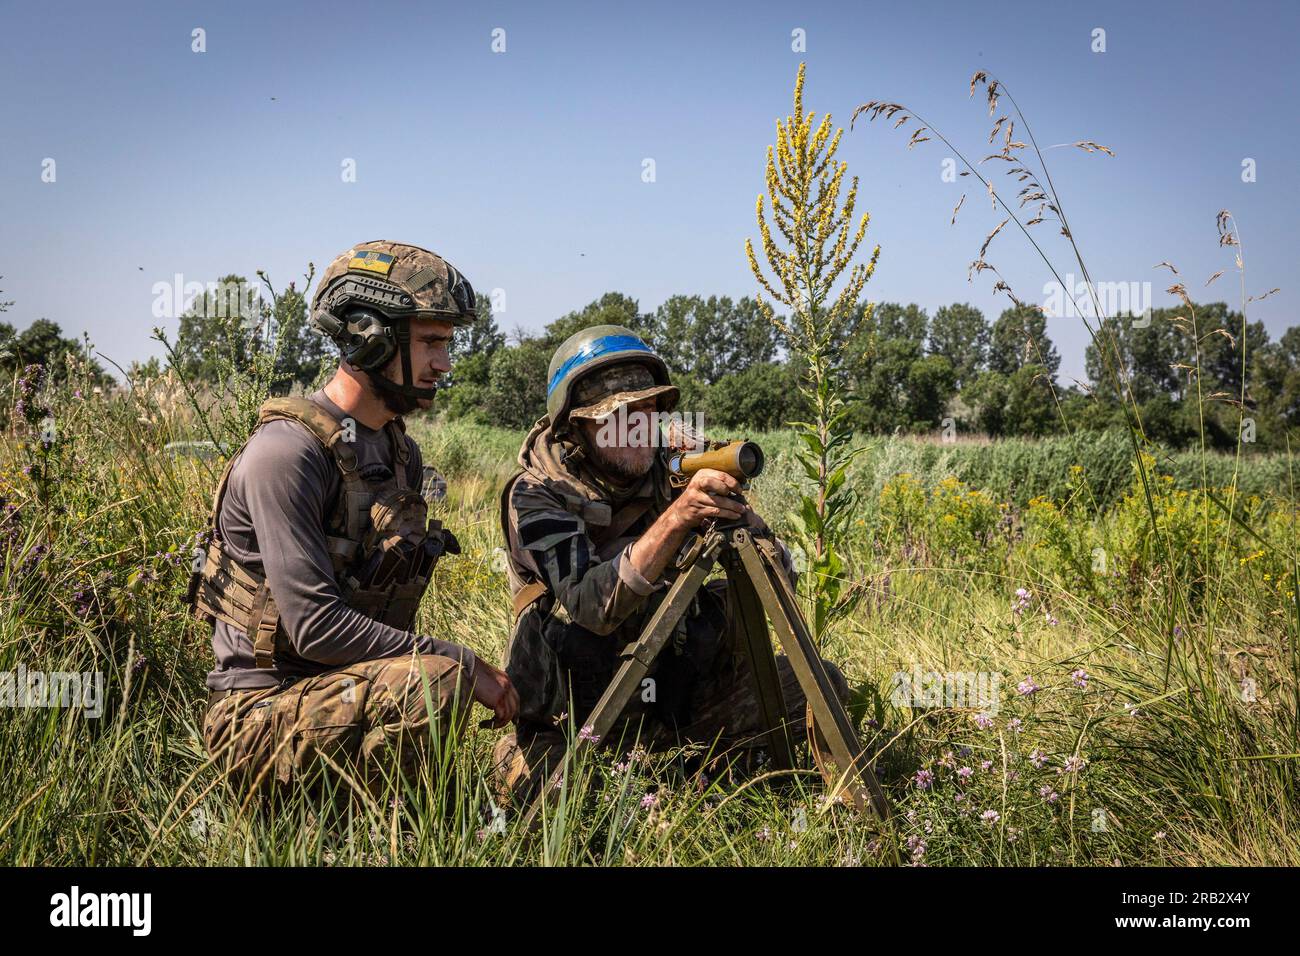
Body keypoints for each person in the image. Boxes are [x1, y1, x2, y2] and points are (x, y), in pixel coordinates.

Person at [189, 240, 518, 799]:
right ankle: (357, 830)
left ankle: (394, 819)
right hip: (256, 719)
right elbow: (314, 626)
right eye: (432, 342)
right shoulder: (288, 452)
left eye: (448, 343)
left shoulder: (399, 455)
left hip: (337, 696)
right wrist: (460, 660)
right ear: (371, 338)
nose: (445, 362)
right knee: (435, 682)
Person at [492, 324, 847, 803]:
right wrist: (678, 519)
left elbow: (779, 580)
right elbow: (591, 604)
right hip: (575, 718)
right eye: (618, 418)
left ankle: (697, 777)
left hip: (676, 705)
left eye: (648, 412)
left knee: (819, 687)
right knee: (551, 799)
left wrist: (745, 523)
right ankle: (665, 782)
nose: (638, 430)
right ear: (574, 426)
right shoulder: (535, 494)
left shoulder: (671, 472)